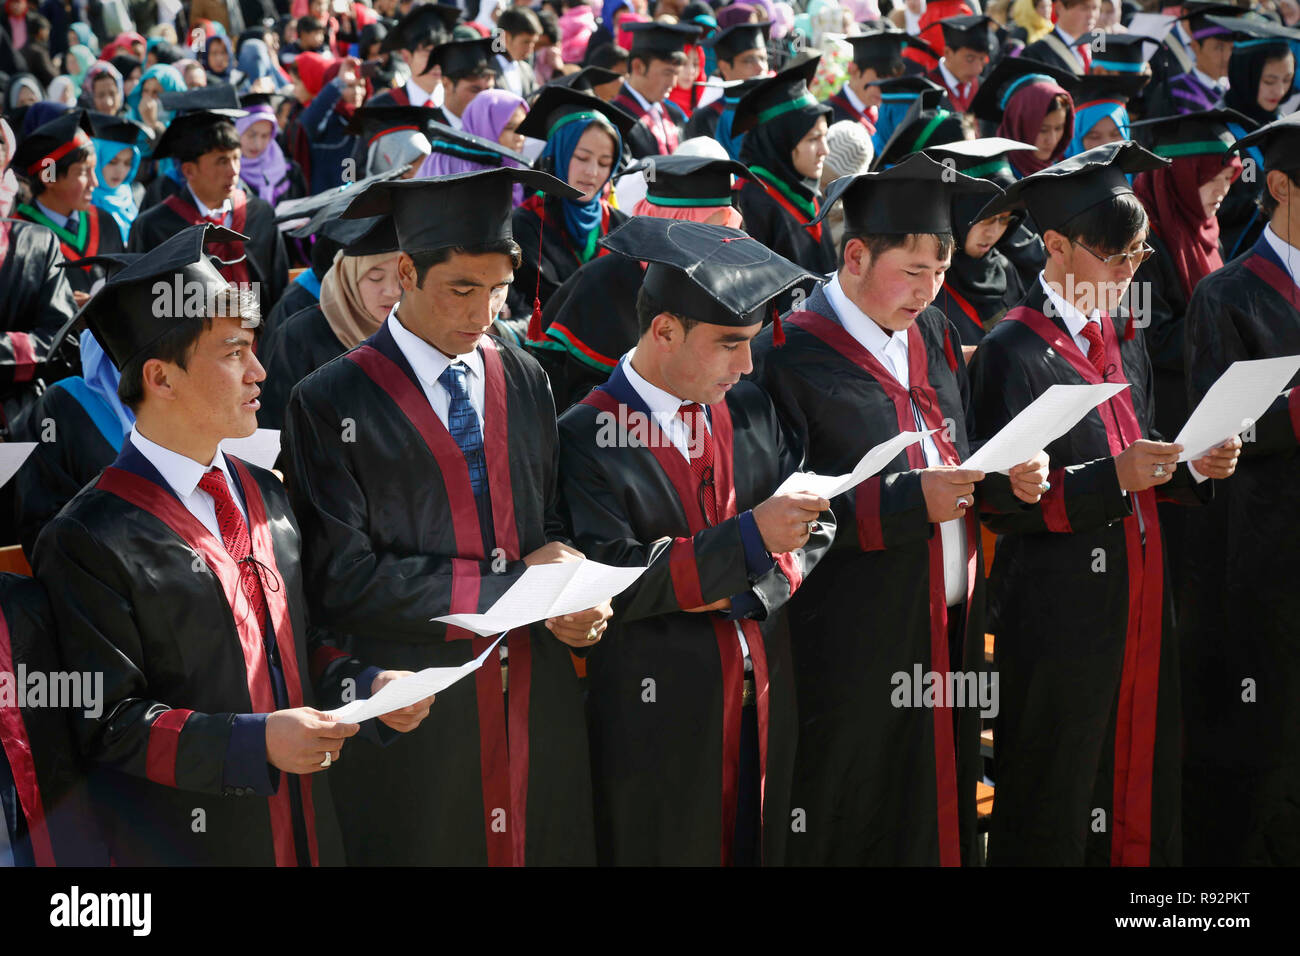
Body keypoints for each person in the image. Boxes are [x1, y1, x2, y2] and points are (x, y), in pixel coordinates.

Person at [31, 224, 421, 866]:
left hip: (309, 824)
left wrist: (366, 687)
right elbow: (107, 724)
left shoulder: (263, 493)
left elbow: (296, 647)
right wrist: (254, 742)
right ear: (160, 377)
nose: (260, 372)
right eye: (234, 352)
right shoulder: (89, 537)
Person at [282, 167, 610, 866]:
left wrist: (575, 596)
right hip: (417, 700)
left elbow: (548, 529)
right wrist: (520, 590)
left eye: (499, 290)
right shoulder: (331, 400)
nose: (484, 311)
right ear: (405, 271)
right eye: (462, 288)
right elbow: (344, 578)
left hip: (533, 694)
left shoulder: (524, 376)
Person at [751, 151, 1049, 865]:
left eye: (941, 271)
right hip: (851, 631)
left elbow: (961, 453)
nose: (929, 289)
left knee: (940, 802)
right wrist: (907, 502)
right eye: (913, 271)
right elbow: (785, 511)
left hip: (950, 623)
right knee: (857, 806)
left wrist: (1005, 477)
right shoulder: (785, 354)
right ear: (855, 255)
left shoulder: (937, 333)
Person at [966, 141, 1242, 866]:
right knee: (1061, 780)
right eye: (1114, 257)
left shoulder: (1124, 330)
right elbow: (1000, 501)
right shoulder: (1012, 350)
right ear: (1055, 245)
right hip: (1059, 607)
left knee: (1141, 764)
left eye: (1139, 257)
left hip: (1142, 590)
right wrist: (1113, 476)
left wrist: (1190, 466)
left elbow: (1139, 446)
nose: (1127, 274)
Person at [556, 217, 834, 865]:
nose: (746, 363)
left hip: (764, 700)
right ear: (663, 330)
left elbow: (817, 517)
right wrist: (748, 543)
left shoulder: (750, 407)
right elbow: (611, 577)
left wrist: (753, 578)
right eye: (730, 343)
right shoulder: (585, 434)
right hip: (656, 721)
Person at [1181, 112, 1300, 866]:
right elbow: (1210, 437)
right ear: (1283, 186)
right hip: (1266, 559)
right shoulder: (1227, 295)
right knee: (1270, 748)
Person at [535, 153, 752, 409]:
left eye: (726, 233)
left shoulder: (725, 283)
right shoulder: (601, 284)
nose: (721, 246)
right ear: (673, 226)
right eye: (710, 234)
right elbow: (576, 402)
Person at [128, 100, 290, 322]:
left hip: (257, 348)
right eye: (222, 161)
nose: (233, 171)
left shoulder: (260, 215)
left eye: (236, 158)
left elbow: (278, 292)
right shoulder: (155, 228)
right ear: (189, 170)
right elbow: (145, 307)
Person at [258, 203, 401, 430]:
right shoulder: (299, 336)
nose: (392, 291)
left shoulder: (415, 331)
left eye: (402, 277)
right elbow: (275, 425)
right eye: (375, 278)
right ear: (348, 278)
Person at [507, 85, 632, 324]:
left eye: (605, 163)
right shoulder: (524, 225)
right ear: (558, 155)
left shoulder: (620, 226)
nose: (592, 172)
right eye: (582, 158)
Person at [925, 137, 1033, 349]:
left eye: (1004, 220)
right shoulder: (928, 281)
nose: (994, 232)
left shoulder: (1003, 269)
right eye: (985, 220)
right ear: (955, 213)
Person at [734, 58, 837, 277]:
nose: (824, 150)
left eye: (825, 137)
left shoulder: (807, 191)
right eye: (813, 139)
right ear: (781, 141)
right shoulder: (749, 202)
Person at [11, 109, 126, 302]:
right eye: (82, 172)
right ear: (49, 176)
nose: (94, 183)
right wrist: (65, 309)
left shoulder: (105, 223)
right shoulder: (17, 237)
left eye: (94, 170)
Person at [1217, 16, 1299, 260]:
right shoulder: (1218, 130)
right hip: (1240, 260)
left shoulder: (1284, 122)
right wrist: (1260, 203)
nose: (1279, 91)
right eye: (1269, 81)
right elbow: (1207, 209)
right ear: (1246, 75)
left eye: (1287, 80)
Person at [614, 20, 700, 157]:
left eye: (676, 74)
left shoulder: (675, 115)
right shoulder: (615, 118)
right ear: (638, 67)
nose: (673, 83)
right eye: (667, 73)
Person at [1144, 6, 1246, 115]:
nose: (1227, 57)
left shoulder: (1237, 92)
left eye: (1231, 48)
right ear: (1195, 47)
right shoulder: (1172, 93)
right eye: (1218, 48)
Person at [686, 20, 769, 140]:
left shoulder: (774, 108)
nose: (760, 67)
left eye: (763, 59)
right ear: (724, 67)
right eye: (749, 61)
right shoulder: (708, 118)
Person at [367, 3, 460, 109]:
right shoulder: (381, 108)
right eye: (429, 53)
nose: (437, 63)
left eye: (443, 52)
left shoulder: (458, 107)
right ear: (406, 56)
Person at [828, 27, 921, 134]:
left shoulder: (891, 115)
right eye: (879, 79)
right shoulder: (830, 118)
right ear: (853, 70)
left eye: (891, 82)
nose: (885, 89)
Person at [87, 112, 147, 246]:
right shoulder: (84, 199)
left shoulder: (136, 195)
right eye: (112, 162)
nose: (120, 171)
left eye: (127, 163)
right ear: (95, 160)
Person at [237, 92, 308, 205]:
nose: (258, 144)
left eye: (265, 136)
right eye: (251, 135)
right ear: (237, 132)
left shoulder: (290, 171)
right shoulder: (230, 176)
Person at [421, 36, 497, 129]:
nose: (483, 98)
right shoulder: (427, 131)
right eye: (475, 90)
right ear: (447, 84)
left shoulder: (495, 130)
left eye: (487, 90)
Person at [1064, 74, 1141, 159]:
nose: (1106, 144)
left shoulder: (1142, 170)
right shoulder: (1052, 171)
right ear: (1076, 137)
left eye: (1116, 134)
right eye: (1094, 137)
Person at [927, 14, 992, 113]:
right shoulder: (926, 92)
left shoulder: (985, 89)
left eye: (982, 59)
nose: (978, 69)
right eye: (970, 59)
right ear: (948, 53)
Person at [1021, 0, 1100, 75]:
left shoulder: (1099, 48)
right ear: (1059, 8)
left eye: (1095, 8)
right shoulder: (1036, 53)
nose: (1091, 15)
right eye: (1084, 8)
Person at [495, 7, 542, 99]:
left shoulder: (526, 70)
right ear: (506, 37)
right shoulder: (486, 73)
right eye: (525, 42)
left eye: (533, 43)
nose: (530, 50)